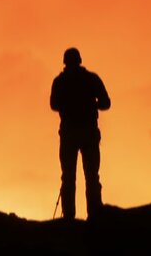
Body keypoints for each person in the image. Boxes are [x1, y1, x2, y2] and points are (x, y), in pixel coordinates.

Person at [50, 47, 111, 219]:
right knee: (91, 176)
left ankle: (70, 217)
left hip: (71, 133)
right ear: (79, 60)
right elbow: (106, 103)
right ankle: (95, 215)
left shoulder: (60, 81)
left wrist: (69, 105)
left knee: (69, 177)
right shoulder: (91, 79)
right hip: (87, 133)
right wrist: (91, 105)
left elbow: (54, 104)